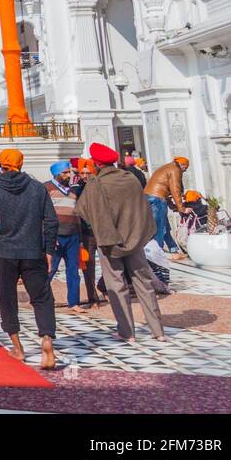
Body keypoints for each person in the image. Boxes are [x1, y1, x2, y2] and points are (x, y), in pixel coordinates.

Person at [0, 148, 58, 369]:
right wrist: (48, 249)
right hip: (33, 251)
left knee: (8, 298)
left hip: (5, 252)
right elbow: (51, 221)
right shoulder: (37, 188)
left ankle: (18, 348)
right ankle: (47, 340)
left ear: (1, 164)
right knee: (41, 298)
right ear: (21, 164)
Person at [77, 143, 166, 343]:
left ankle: (127, 332)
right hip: (134, 238)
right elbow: (142, 208)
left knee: (116, 285)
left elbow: (82, 210)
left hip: (110, 242)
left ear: (97, 164)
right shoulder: (131, 179)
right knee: (144, 283)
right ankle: (158, 330)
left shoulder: (95, 183)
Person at [45, 160, 85, 314]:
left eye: (69, 172)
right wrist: (48, 235)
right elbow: (42, 214)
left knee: (73, 271)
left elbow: (77, 215)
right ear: (57, 174)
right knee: (50, 269)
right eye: (65, 172)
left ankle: (73, 302)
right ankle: (41, 297)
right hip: (55, 235)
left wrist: (80, 239)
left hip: (73, 235)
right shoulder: (47, 188)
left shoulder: (73, 191)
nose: (68, 175)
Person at [144, 157, 190, 261]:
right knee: (160, 227)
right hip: (157, 198)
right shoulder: (175, 169)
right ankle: (156, 253)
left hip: (150, 196)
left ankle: (173, 250)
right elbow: (175, 189)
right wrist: (181, 208)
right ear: (183, 165)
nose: (184, 171)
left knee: (164, 225)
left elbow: (165, 188)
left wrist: (172, 206)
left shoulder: (168, 167)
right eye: (185, 169)